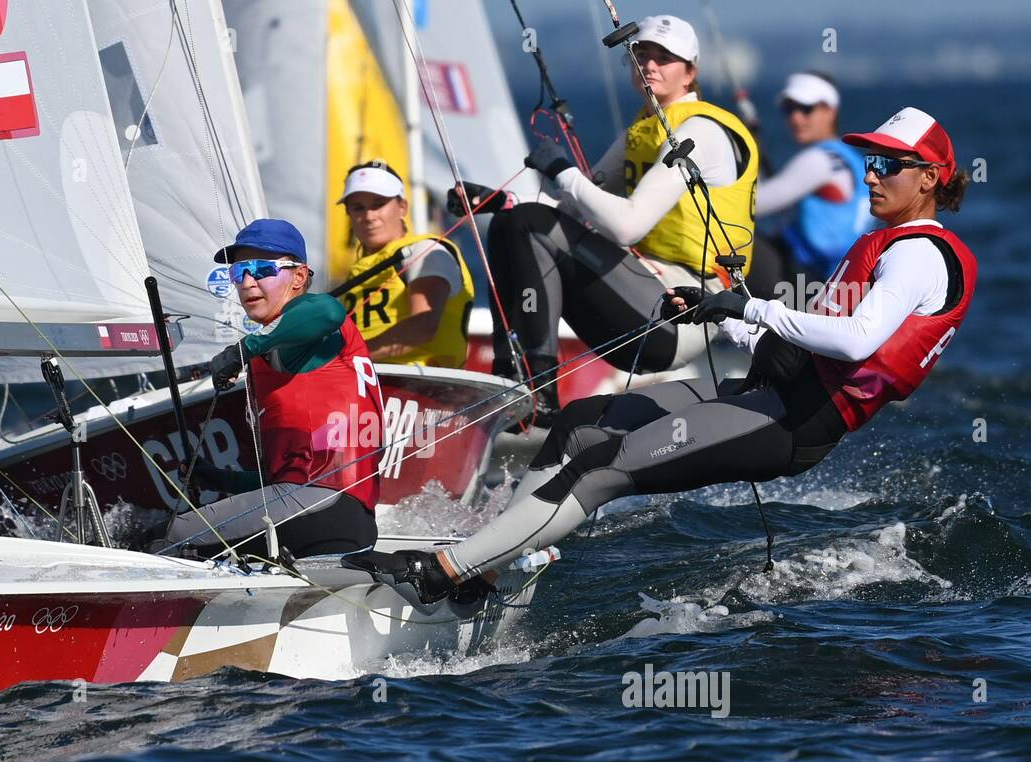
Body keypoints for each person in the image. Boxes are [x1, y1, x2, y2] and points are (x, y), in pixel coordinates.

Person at [346, 107, 976, 605]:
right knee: (580, 423)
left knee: (600, 467)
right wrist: (717, 311)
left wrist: (746, 308)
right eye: (870, 159)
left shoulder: (918, 253)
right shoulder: (889, 241)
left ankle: (446, 572)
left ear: (929, 179)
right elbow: (801, 337)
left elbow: (856, 341)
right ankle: (481, 577)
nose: (870, 172)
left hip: (797, 420)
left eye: (890, 164)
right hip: (766, 390)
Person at [452, 14, 758, 421]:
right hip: (640, 297)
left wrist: (562, 170)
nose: (649, 65)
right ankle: (514, 378)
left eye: (664, 58)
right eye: (641, 55)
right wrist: (500, 200)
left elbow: (625, 225)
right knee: (513, 222)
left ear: (690, 74)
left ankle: (540, 395)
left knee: (527, 223)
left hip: (682, 313)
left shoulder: (700, 133)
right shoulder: (645, 128)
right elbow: (581, 203)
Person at [141, 218, 385, 560]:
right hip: (336, 519)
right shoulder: (282, 343)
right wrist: (218, 479)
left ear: (299, 277)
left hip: (322, 507)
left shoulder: (306, 326)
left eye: (261, 268)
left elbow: (328, 310)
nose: (247, 281)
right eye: (238, 271)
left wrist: (241, 350)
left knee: (160, 540)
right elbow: (281, 482)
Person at [335, 160, 475, 367]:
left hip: (424, 386)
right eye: (358, 208)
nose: (369, 216)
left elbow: (423, 327)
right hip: (367, 381)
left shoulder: (425, 250)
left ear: (402, 207)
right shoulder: (354, 274)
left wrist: (345, 358)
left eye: (378, 204)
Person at [747, 71, 872, 300]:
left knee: (724, 231)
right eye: (789, 109)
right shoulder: (852, 160)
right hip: (836, 287)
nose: (795, 118)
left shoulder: (820, 161)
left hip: (806, 282)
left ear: (830, 111)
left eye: (806, 109)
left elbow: (751, 205)